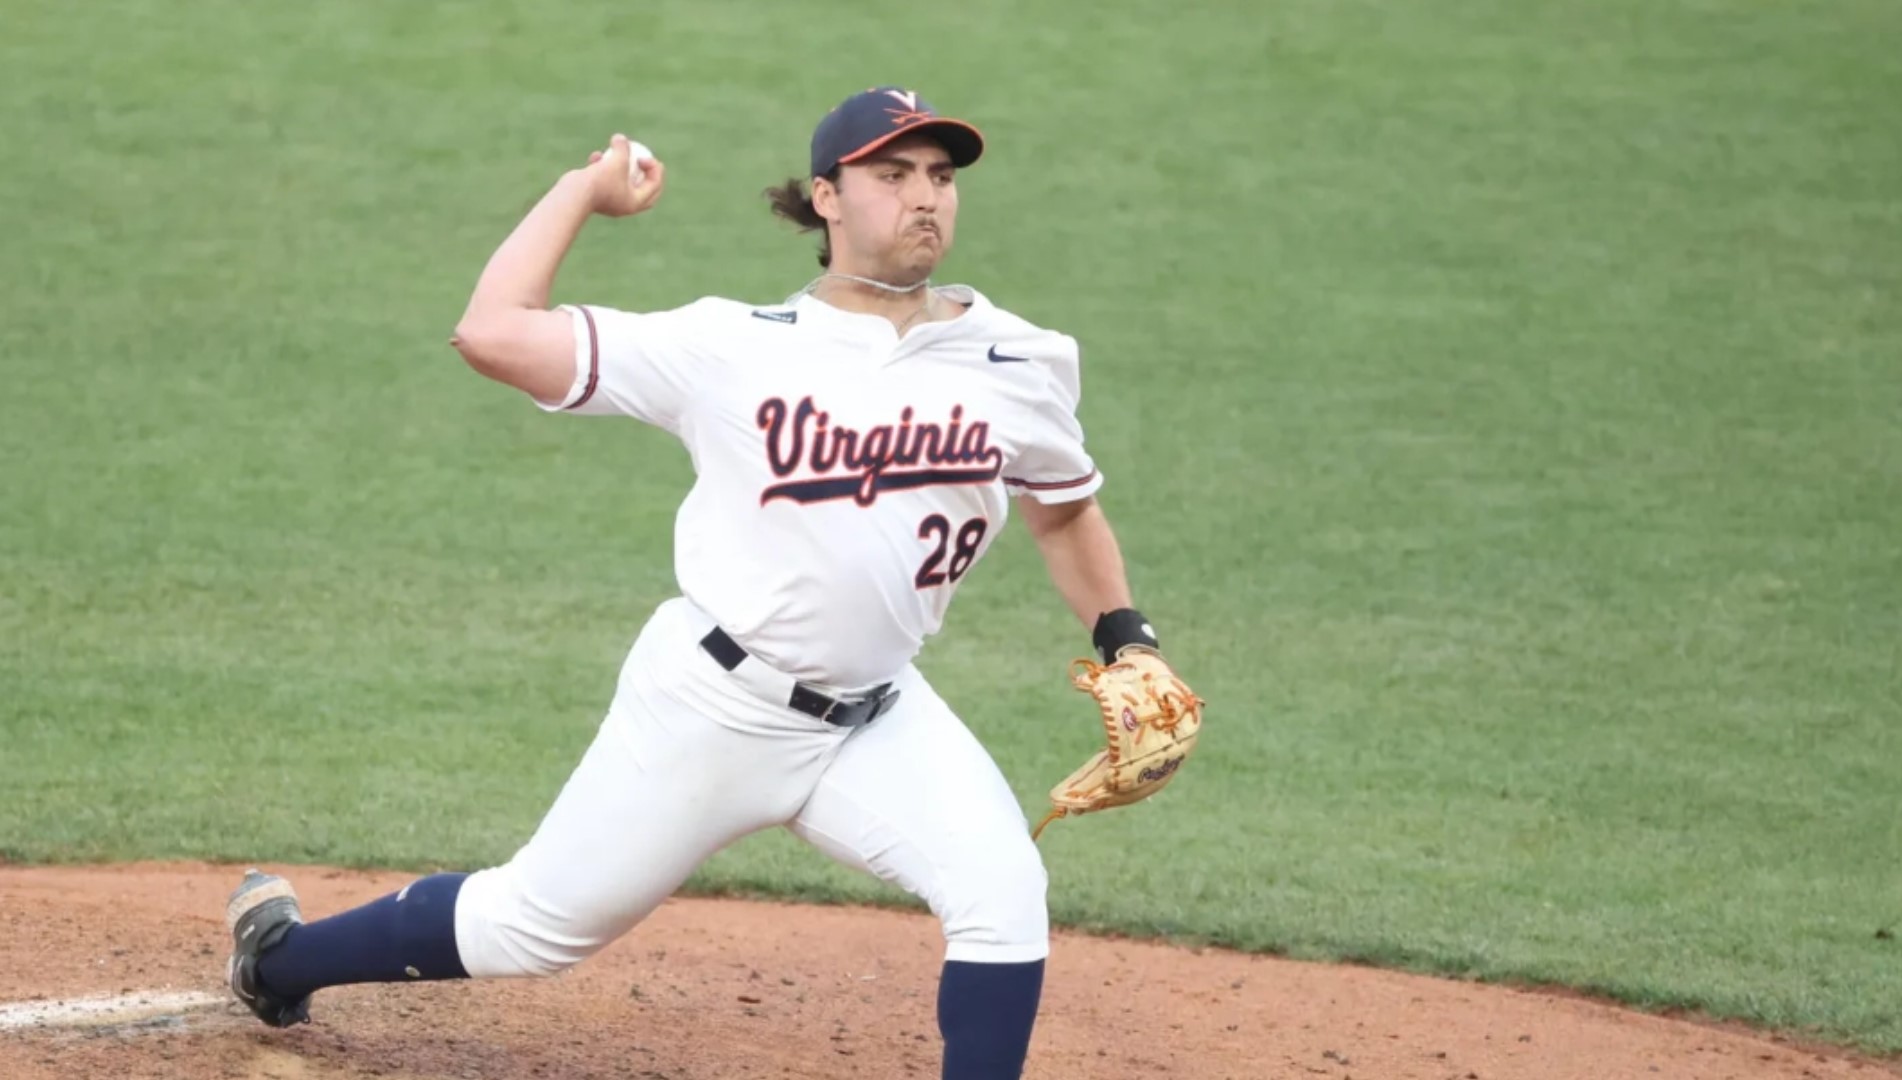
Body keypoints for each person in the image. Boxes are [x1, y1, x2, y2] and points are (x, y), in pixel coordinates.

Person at [224, 86, 1190, 1080]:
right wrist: (578, 191)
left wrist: (1127, 635)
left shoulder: (1021, 358)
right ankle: (281, 957)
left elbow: (1063, 505)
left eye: (941, 177)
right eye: (892, 175)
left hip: (880, 713)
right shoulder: (733, 345)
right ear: (827, 198)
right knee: (534, 928)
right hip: (710, 704)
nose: (925, 199)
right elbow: (492, 333)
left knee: (1001, 888)